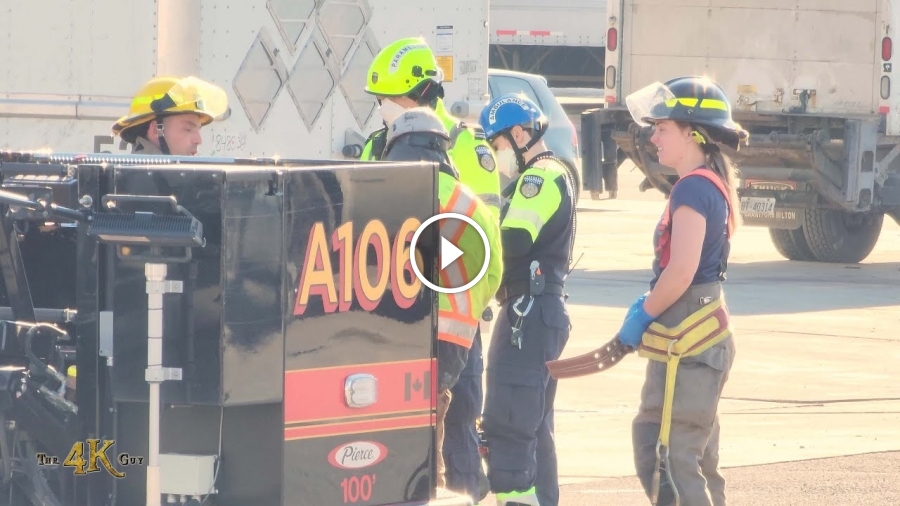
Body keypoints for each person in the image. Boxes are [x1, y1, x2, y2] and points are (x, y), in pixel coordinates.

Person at [363, 36, 502, 501]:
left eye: (389, 98)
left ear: (420, 92)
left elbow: (484, 238)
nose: (382, 108)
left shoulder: (466, 144)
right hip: (417, 328)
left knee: (455, 429)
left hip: (444, 328)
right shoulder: (379, 143)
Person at [616, 75, 747, 506]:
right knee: (691, 457)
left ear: (692, 133)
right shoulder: (706, 182)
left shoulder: (692, 187)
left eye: (662, 128)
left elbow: (681, 271)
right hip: (693, 343)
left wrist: (643, 313)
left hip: (689, 347)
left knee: (671, 458)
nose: (653, 138)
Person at [476, 94, 576, 506]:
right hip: (537, 312)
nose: (496, 155)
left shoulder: (541, 177)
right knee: (534, 429)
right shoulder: (547, 175)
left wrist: (468, 240)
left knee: (509, 423)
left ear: (519, 135)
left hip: (527, 314)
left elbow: (514, 240)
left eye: (497, 144)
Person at [112, 75, 229, 156]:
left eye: (198, 129)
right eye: (188, 129)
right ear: (156, 129)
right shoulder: (139, 181)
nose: (198, 140)